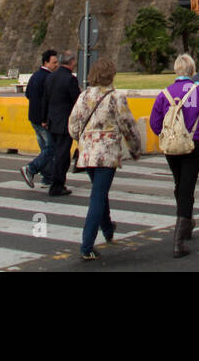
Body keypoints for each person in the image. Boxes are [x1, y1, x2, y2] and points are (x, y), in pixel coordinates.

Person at [67, 57, 142, 261]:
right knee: (98, 196)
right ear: (111, 74)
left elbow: (73, 125)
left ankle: (108, 228)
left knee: (100, 192)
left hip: (87, 153)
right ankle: (86, 245)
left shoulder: (84, 96)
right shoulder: (116, 97)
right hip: (107, 154)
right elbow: (128, 125)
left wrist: (84, 140)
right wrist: (135, 149)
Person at [150, 53, 199, 257]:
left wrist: (166, 135)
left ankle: (186, 224)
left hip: (171, 147)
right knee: (186, 188)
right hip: (194, 144)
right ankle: (179, 241)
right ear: (191, 71)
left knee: (180, 184)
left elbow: (155, 123)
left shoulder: (165, 93)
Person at [43, 50, 80, 197]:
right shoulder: (70, 79)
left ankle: (54, 181)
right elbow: (77, 102)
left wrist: (45, 119)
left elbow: (45, 99)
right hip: (65, 123)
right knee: (62, 156)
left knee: (57, 153)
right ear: (71, 62)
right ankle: (57, 185)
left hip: (52, 121)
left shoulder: (51, 78)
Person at [21, 49, 58, 187]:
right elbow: (48, 101)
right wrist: (45, 119)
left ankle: (48, 177)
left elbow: (28, 94)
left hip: (33, 118)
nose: (56, 65)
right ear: (46, 62)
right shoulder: (49, 78)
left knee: (45, 149)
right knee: (50, 149)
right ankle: (31, 169)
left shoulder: (35, 76)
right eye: (54, 62)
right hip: (42, 121)